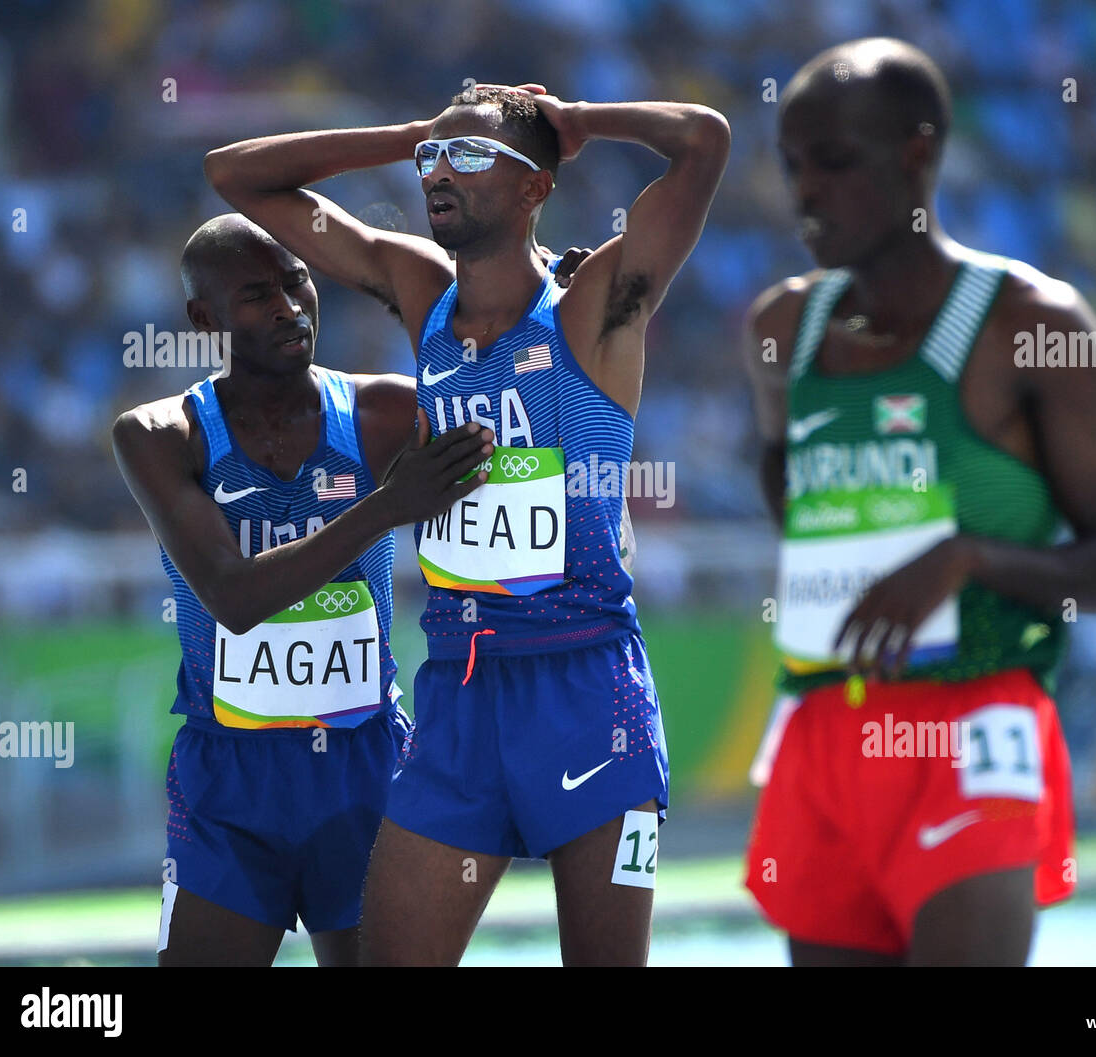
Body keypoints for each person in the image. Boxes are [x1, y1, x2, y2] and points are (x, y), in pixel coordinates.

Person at [205, 83, 730, 965]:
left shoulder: (593, 304)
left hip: (586, 689)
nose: (440, 171)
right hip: (459, 694)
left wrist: (581, 122)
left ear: (536, 188)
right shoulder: (422, 291)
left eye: (472, 157)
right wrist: (417, 128)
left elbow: (704, 141)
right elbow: (237, 175)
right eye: (431, 162)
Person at [741, 38, 1096, 966]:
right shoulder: (780, 329)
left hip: (971, 721)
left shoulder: (1036, 325)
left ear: (917, 154)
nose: (805, 192)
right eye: (792, 166)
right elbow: (785, 476)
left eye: (834, 164)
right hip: (823, 725)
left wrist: (964, 558)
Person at [112, 213, 493, 966]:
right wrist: (388, 505)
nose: (289, 308)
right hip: (230, 781)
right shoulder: (159, 435)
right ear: (203, 318)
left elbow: (513, 404)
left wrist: (564, 298)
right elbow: (235, 598)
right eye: (257, 295)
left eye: (296, 282)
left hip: (365, 767)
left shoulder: (387, 413)